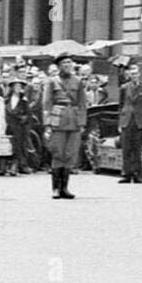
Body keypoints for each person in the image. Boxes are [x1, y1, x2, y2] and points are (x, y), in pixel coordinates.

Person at [41, 53, 87, 199]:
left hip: (73, 119)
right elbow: (47, 103)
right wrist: (47, 124)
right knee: (57, 152)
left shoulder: (78, 81)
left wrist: (82, 122)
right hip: (58, 119)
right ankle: (55, 188)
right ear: (59, 66)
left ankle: (65, 188)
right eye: (64, 63)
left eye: (69, 63)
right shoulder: (52, 81)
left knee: (70, 153)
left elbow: (82, 103)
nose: (67, 65)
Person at [118, 62, 142, 183]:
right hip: (126, 120)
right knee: (126, 149)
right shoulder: (124, 88)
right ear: (129, 75)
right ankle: (126, 174)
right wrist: (120, 123)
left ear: (139, 74)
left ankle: (138, 175)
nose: (134, 75)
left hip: (139, 121)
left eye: (136, 73)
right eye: (132, 73)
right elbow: (121, 105)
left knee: (137, 149)